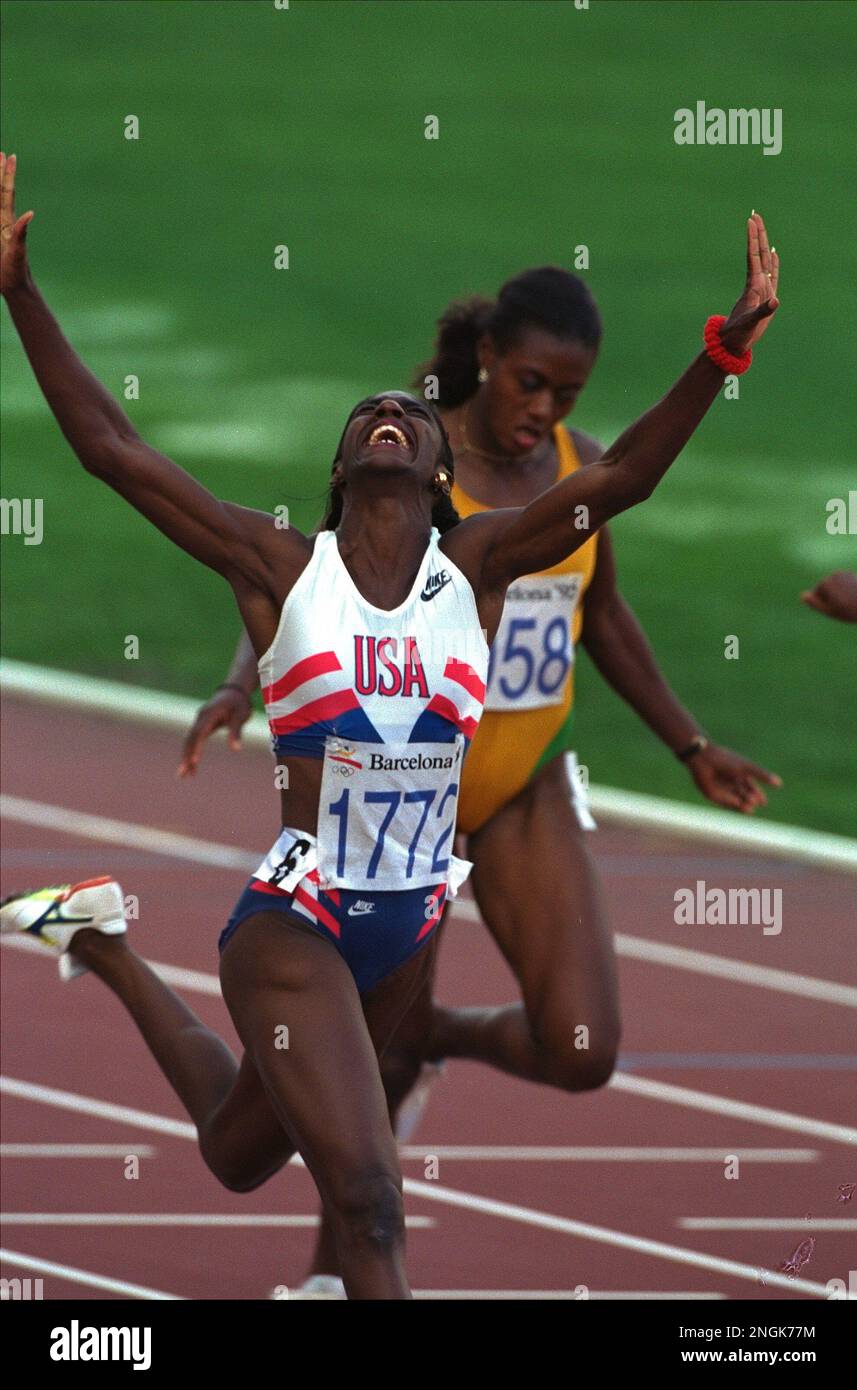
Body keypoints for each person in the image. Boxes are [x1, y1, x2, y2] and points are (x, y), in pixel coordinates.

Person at [0, 149, 779, 1297]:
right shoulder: (276, 567)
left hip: (409, 931)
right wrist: (17, 290)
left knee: (233, 1149)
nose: (385, 415)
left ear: (429, 473)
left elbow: (619, 488)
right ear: (341, 465)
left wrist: (724, 349)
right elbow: (109, 450)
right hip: (297, 923)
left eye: (402, 418)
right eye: (365, 414)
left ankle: (102, 940)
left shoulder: (478, 567)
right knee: (370, 1200)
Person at [182, 263, 781, 1291]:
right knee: (361, 1073)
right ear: (486, 360)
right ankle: (334, 1272)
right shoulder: (417, 473)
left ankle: (437, 1035)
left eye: (566, 396)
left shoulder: (571, 472)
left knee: (581, 1046)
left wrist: (689, 742)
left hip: (525, 783)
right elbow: (302, 586)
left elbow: (602, 608)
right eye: (529, 385)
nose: (541, 412)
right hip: (411, 809)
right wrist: (242, 685)